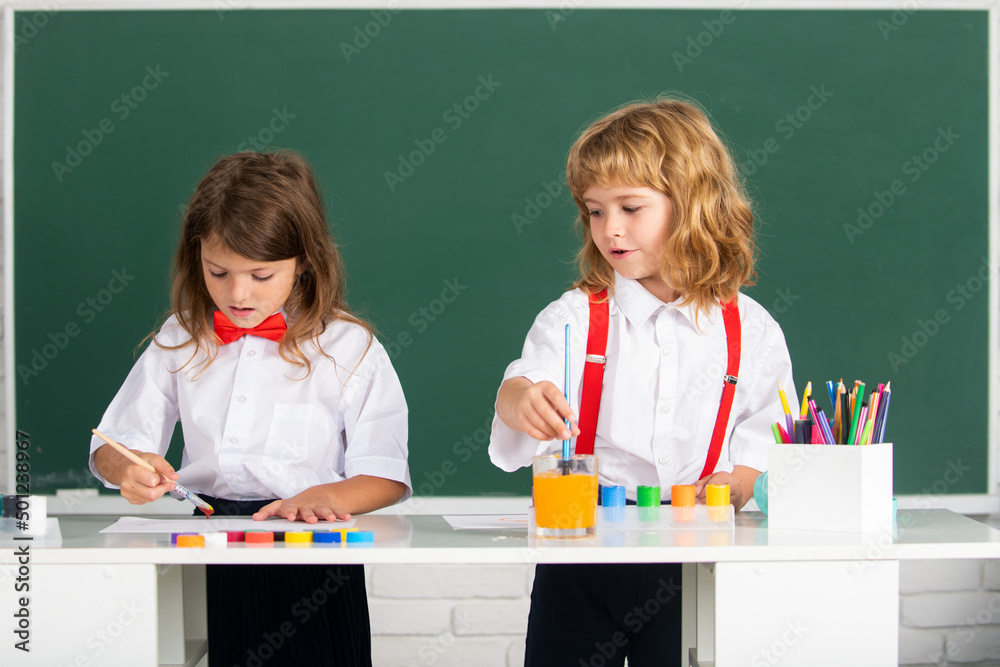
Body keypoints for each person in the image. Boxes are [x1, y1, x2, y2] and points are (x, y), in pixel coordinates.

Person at [489, 97, 795, 666]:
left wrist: (744, 474)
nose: (611, 229)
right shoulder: (574, 317)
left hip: (697, 554)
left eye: (631, 207)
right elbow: (523, 383)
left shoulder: (748, 328)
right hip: (581, 551)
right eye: (595, 211)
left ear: (694, 205)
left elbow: (769, 425)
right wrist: (518, 400)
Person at [89, 150, 410, 666]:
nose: (237, 294)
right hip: (206, 540)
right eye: (218, 272)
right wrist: (127, 467)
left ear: (304, 261)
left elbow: (388, 476)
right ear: (196, 256)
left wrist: (322, 495)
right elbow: (111, 445)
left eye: (261, 276)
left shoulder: (350, 348)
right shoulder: (180, 337)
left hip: (311, 545)